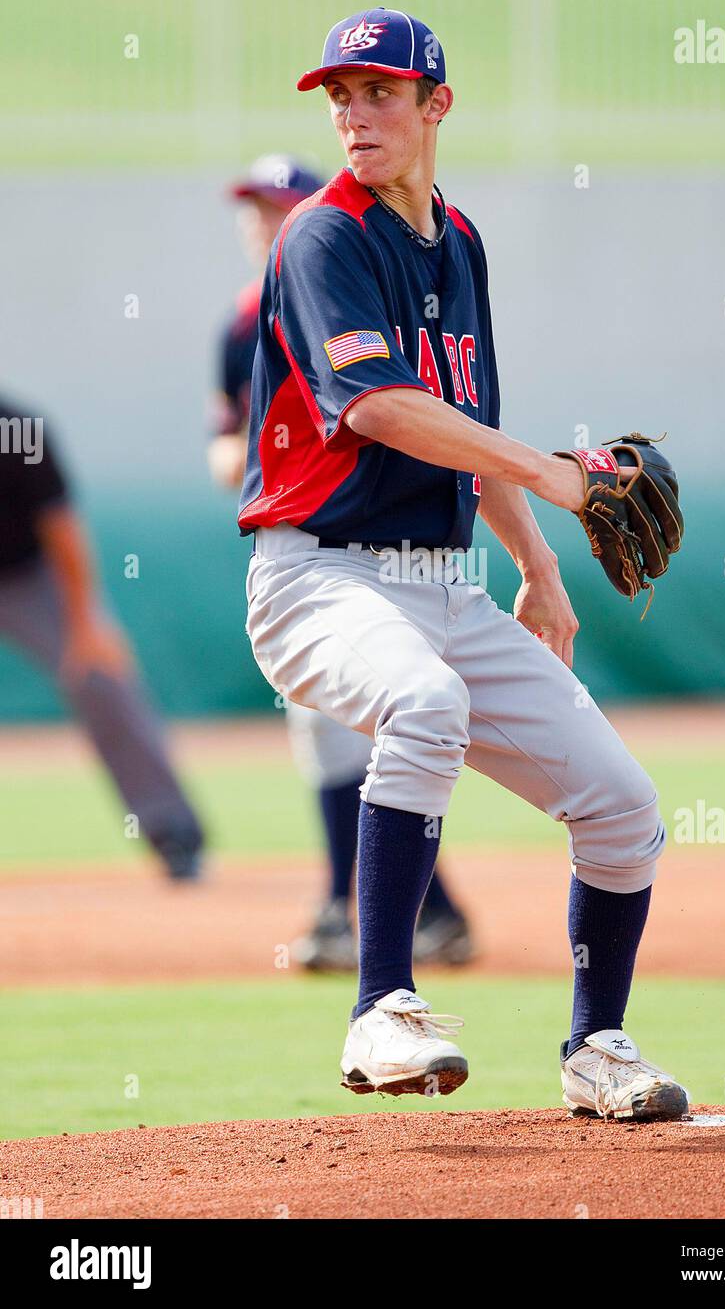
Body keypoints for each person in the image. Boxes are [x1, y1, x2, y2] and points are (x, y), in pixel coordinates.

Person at [240, 9, 690, 1120]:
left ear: (435, 105)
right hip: (316, 579)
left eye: (378, 91)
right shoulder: (320, 236)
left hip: (446, 587)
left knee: (623, 806)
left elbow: (461, 421)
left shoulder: (459, 240)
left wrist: (537, 569)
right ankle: (381, 1007)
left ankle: (597, 1046)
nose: (353, 114)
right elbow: (386, 409)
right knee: (424, 701)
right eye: (338, 95)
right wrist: (550, 474)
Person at [210, 154, 474, 969]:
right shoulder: (243, 321)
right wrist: (235, 456)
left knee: (396, 718)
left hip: (392, 544)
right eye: (253, 206)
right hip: (306, 539)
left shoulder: (357, 277)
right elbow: (227, 432)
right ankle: (412, 907)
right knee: (340, 731)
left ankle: (357, 907)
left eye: (277, 204)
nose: (263, 220)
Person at [0, 394, 204, 879]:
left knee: (100, 676)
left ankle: (171, 830)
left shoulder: (15, 429)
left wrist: (85, 623)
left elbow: (61, 528)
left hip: (30, 576)